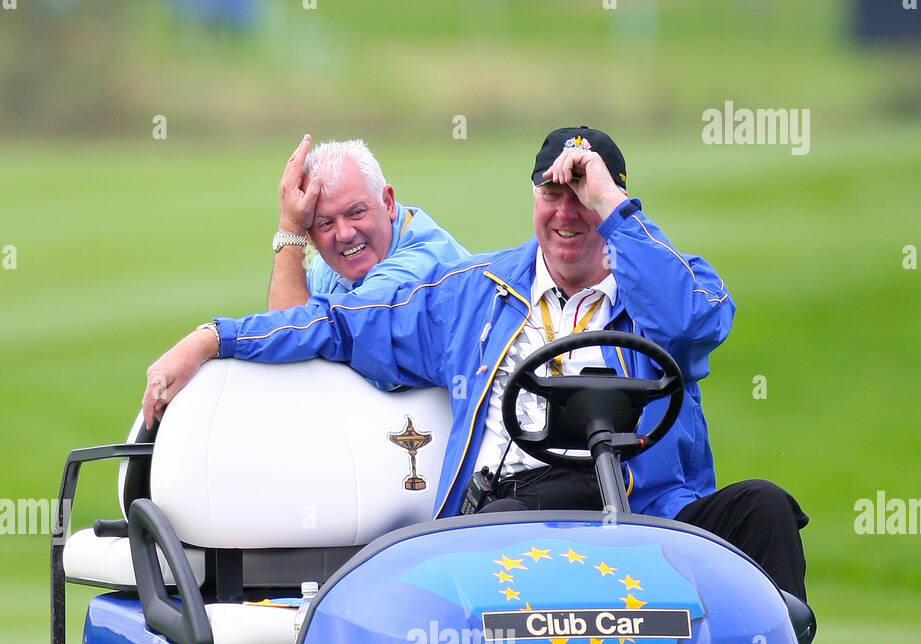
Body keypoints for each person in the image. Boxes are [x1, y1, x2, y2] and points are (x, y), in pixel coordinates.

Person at [143, 125, 808, 600]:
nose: (565, 213)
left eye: (583, 197)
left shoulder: (668, 287)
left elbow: (691, 325)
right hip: (512, 517)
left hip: (651, 516)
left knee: (764, 509)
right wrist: (212, 338)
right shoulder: (475, 293)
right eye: (552, 194)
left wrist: (612, 208)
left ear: (615, 205)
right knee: (552, 497)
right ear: (532, 202)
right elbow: (339, 326)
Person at [267, 134, 467, 312]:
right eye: (326, 223)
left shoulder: (413, 273)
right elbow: (280, 333)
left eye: (356, 212)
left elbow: (292, 336)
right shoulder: (328, 265)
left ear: (387, 203)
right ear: (309, 237)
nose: (345, 234)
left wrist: (290, 228)